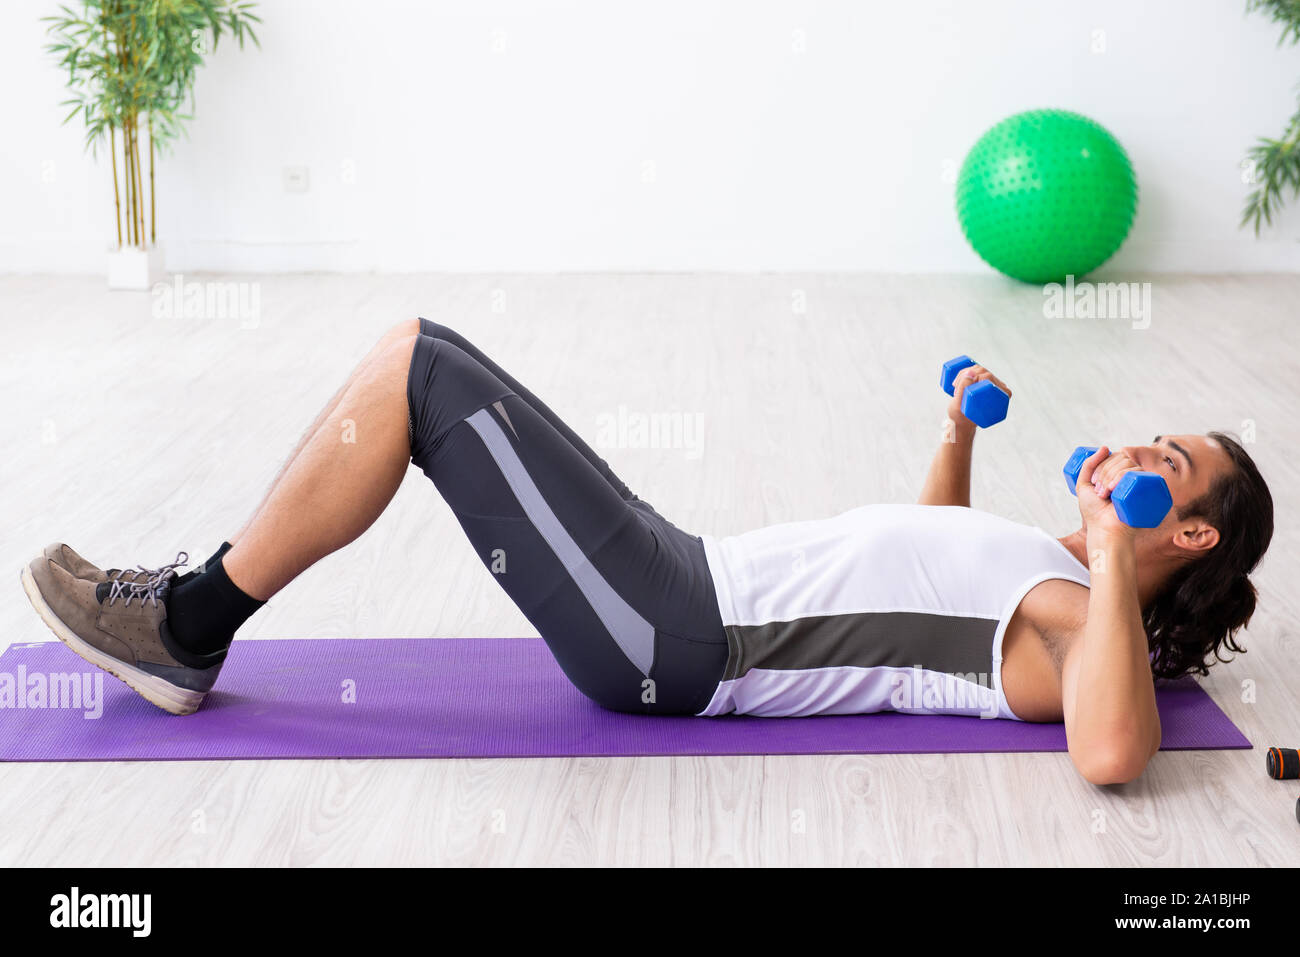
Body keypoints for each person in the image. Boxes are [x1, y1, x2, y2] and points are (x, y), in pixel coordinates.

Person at [21, 319, 1273, 784]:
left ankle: (183, 625)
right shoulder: (1062, 575)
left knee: (416, 369)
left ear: (1190, 527)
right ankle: (187, 607)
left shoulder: (1078, 625)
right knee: (426, 358)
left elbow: (1111, 752)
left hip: (675, 638)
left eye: (1166, 461)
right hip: (681, 579)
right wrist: (955, 433)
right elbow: (940, 554)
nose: (1131, 452)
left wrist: (1115, 551)